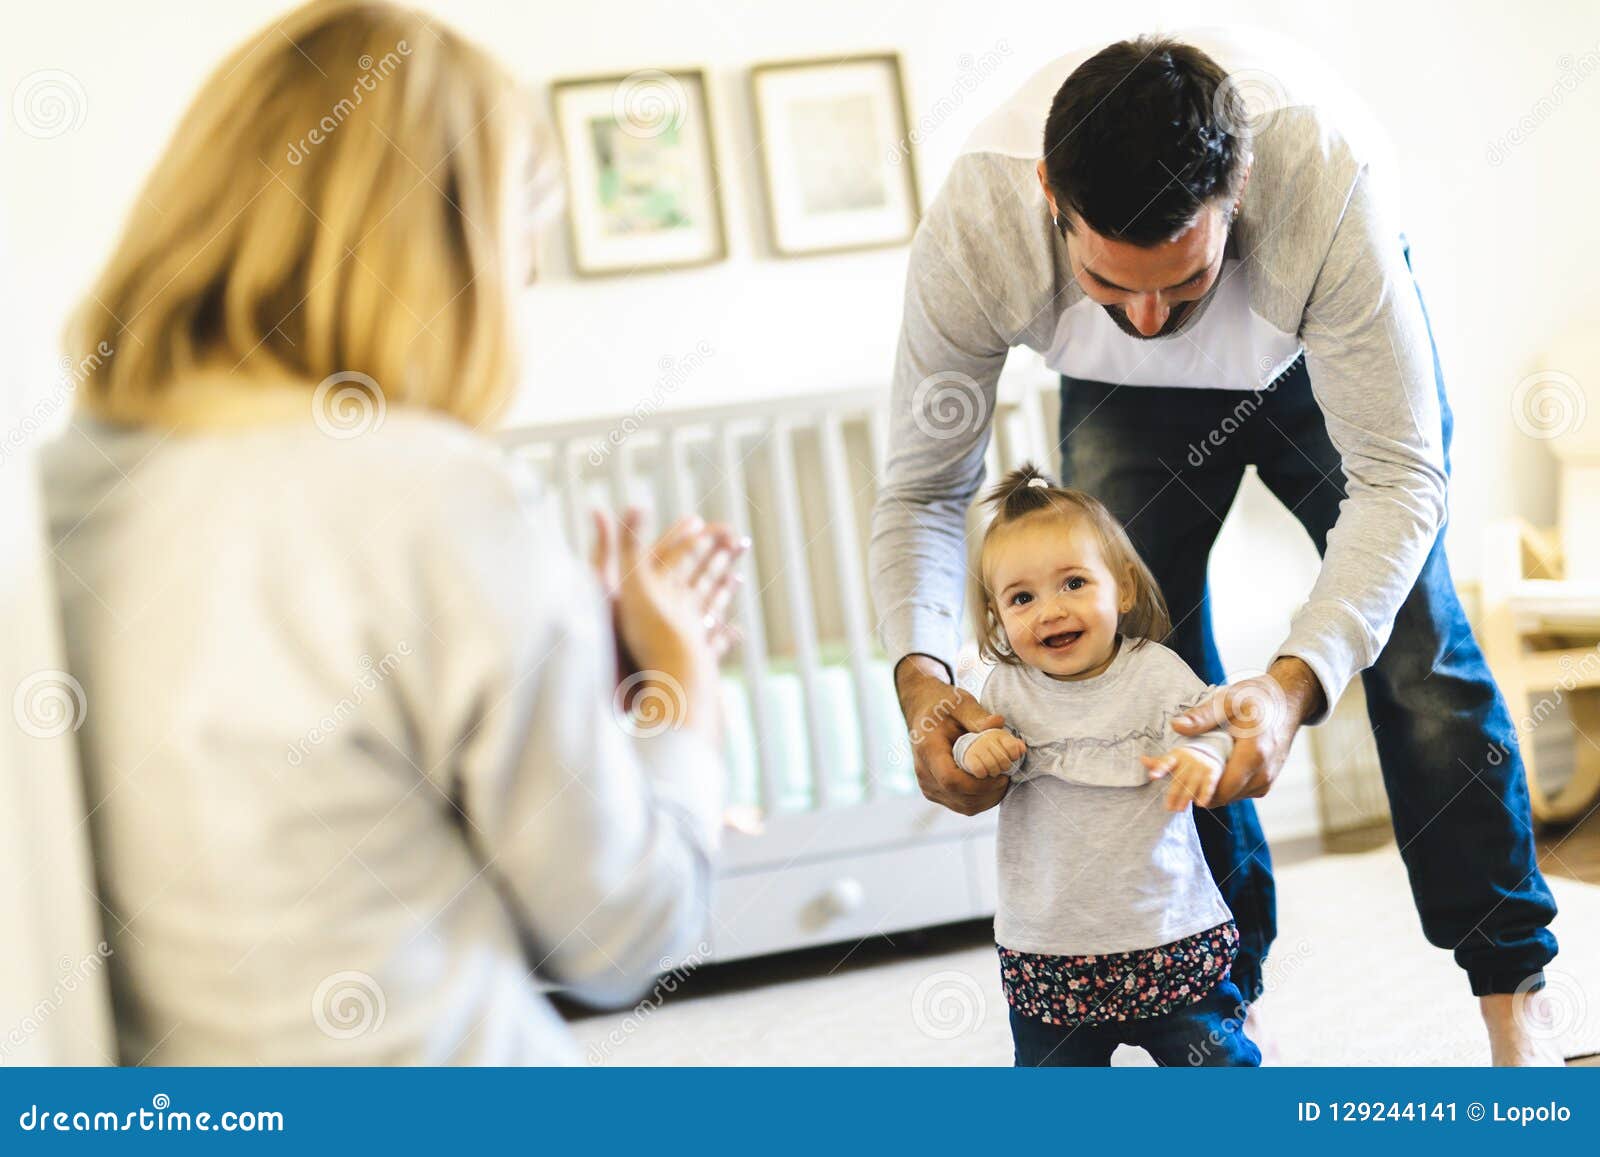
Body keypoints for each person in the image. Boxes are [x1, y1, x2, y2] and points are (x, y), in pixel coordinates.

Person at [42, 0, 744, 1064]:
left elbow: (316, 828)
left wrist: (545, 665)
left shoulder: (53, 494)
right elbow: (619, 932)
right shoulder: (426, 493)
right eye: (526, 238)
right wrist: (676, 692)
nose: (533, 282)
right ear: (454, 246)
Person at [868, 28, 1562, 1064]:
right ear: (1052, 197)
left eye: (1183, 284)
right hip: (1118, 404)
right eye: (1112, 283)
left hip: (1313, 367)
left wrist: (1290, 684)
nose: (1150, 319)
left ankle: (1515, 998)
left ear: (1240, 194)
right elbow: (924, 487)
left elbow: (1399, 476)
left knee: (1413, 645)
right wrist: (923, 686)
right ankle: (1219, 1004)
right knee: (1134, 674)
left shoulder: (1321, 179)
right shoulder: (979, 223)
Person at [957, 464, 1259, 1067]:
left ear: (1120, 589)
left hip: (1167, 932)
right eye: (1022, 597)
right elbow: (969, 753)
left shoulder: (1156, 671)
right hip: (1049, 950)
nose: (1049, 610)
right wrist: (975, 752)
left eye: (1073, 583)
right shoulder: (1005, 690)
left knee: (1218, 1067)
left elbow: (1218, 722)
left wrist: (1204, 752)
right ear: (997, 618)